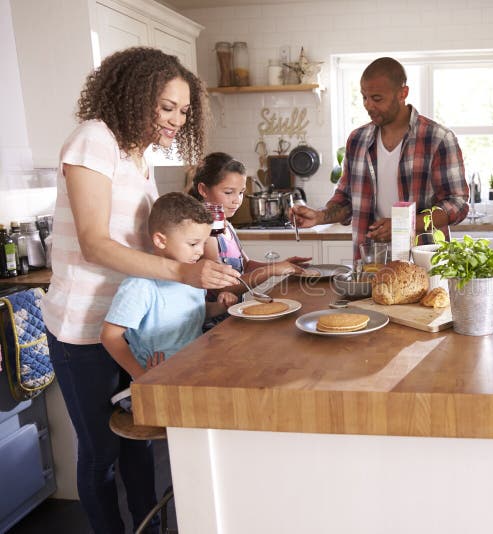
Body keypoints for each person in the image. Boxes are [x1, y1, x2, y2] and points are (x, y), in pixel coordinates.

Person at [42, 47, 240, 534]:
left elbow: (153, 242)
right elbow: (94, 244)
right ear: (134, 96)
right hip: (84, 329)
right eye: (167, 107)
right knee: (101, 452)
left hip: (130, 325)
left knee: (137, 442)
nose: (176, 120)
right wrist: (182, 275)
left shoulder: (139, 157)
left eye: (184, 111)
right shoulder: (93, 141)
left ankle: (151, 528)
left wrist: (208, 269)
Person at [291, 56, 470, 257]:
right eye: (364, 97)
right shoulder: (357, 140)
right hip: (371, 262)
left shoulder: (438, 138)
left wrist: (404, 225)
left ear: (403, 93)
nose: (368, 105)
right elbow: (347, 199)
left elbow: (457, 204)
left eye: (377, 98)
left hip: (425, 262)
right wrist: (319, 216)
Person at [100, 193, 239, 381]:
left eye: (203, 243)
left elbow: (193, 312)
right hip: (161, 378)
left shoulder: (192, 276)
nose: (200, 251)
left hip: (194, 367)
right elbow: (110, 336)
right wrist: (140, 375)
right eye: (193, 243)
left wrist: (220, 307)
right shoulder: (140, 285)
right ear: (161, 240)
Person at [188, 152, 310, 294]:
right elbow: (222, 289)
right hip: (215, 315)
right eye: (228, 192)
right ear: (203, 189)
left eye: (241, 192)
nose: (237, 200)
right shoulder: (206, 233)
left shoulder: (227, 226)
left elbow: (246, 265)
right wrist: (271, 271)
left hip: (232, 311)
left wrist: (280, 265)